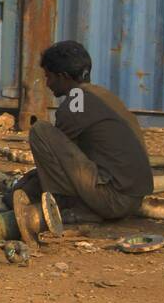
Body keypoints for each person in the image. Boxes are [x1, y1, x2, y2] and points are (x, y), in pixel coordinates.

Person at [16, 40, 152, 219]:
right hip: (133, 199)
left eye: (49, 77)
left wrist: (25, 186)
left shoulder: (75, 103)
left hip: (113, 201)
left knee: (41, 131)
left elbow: (58, 163)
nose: (47, 84)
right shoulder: (102, 95)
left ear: (63, 76)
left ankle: (65, 203)